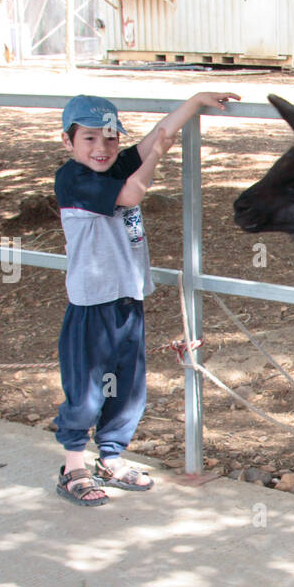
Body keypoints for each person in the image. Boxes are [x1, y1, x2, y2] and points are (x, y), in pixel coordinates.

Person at [53, 90, 239, 505]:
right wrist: (156, 154)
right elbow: (133, 194)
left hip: (127, 299)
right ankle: (72, 465)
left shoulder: (114, 164)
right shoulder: (73, 178)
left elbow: (161, 131)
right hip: (91, 304)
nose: (101, 148)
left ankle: (112, 457)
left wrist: (194, 101)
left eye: (110, 138)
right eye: (89, 139)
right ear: (68, 142)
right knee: (85, 393)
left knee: (128, 387)